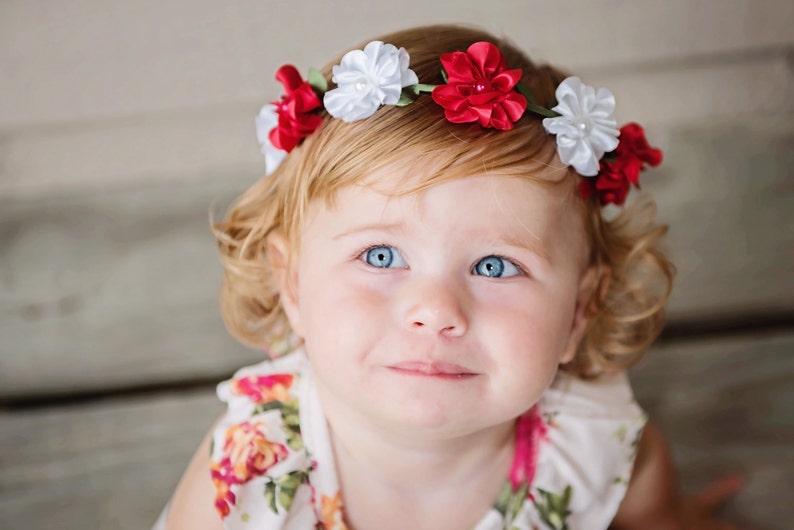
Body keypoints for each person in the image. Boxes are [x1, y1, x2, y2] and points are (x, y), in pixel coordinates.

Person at [160, 24, 744, 530]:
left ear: (577, 312)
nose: (436, 309)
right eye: (382, 256)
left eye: (495, 266)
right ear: (292, 285)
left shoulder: (599, 447)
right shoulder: (243, 482)